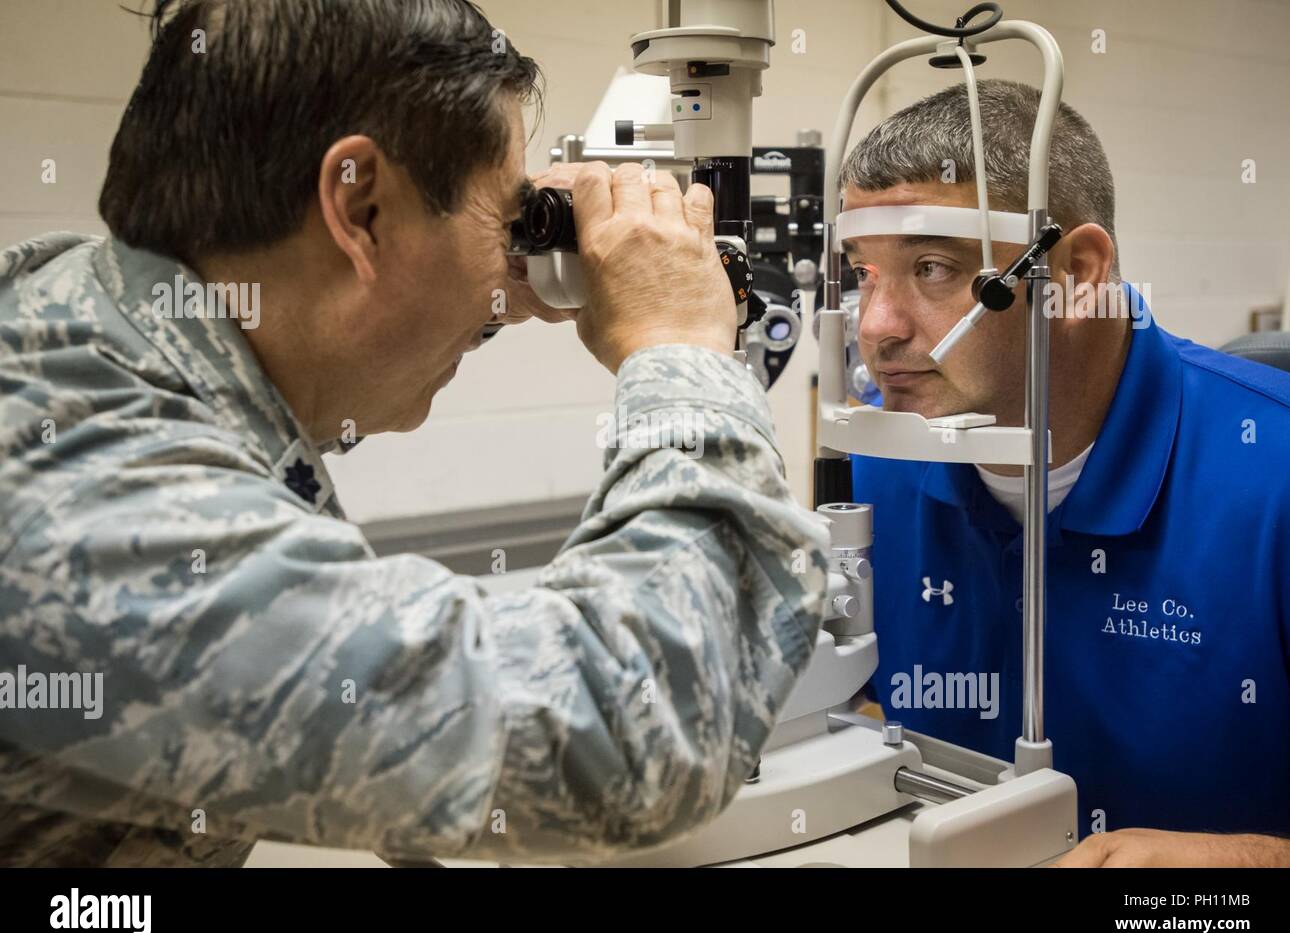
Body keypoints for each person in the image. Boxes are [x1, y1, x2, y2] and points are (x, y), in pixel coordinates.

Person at [0, 0, 828, 866]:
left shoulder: (79, 340)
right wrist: (679, 350)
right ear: (359, 210)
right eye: (504, 217)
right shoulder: (94, 509)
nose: (516, 253)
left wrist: (477, 287)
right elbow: (627, 735)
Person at [843, 79, 1290, 866]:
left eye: (933, 268)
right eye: (864, 274)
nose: (876, 329)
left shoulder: (1278, 477)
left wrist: (1257, 864)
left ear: (1078, 272)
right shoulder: (885, 459)